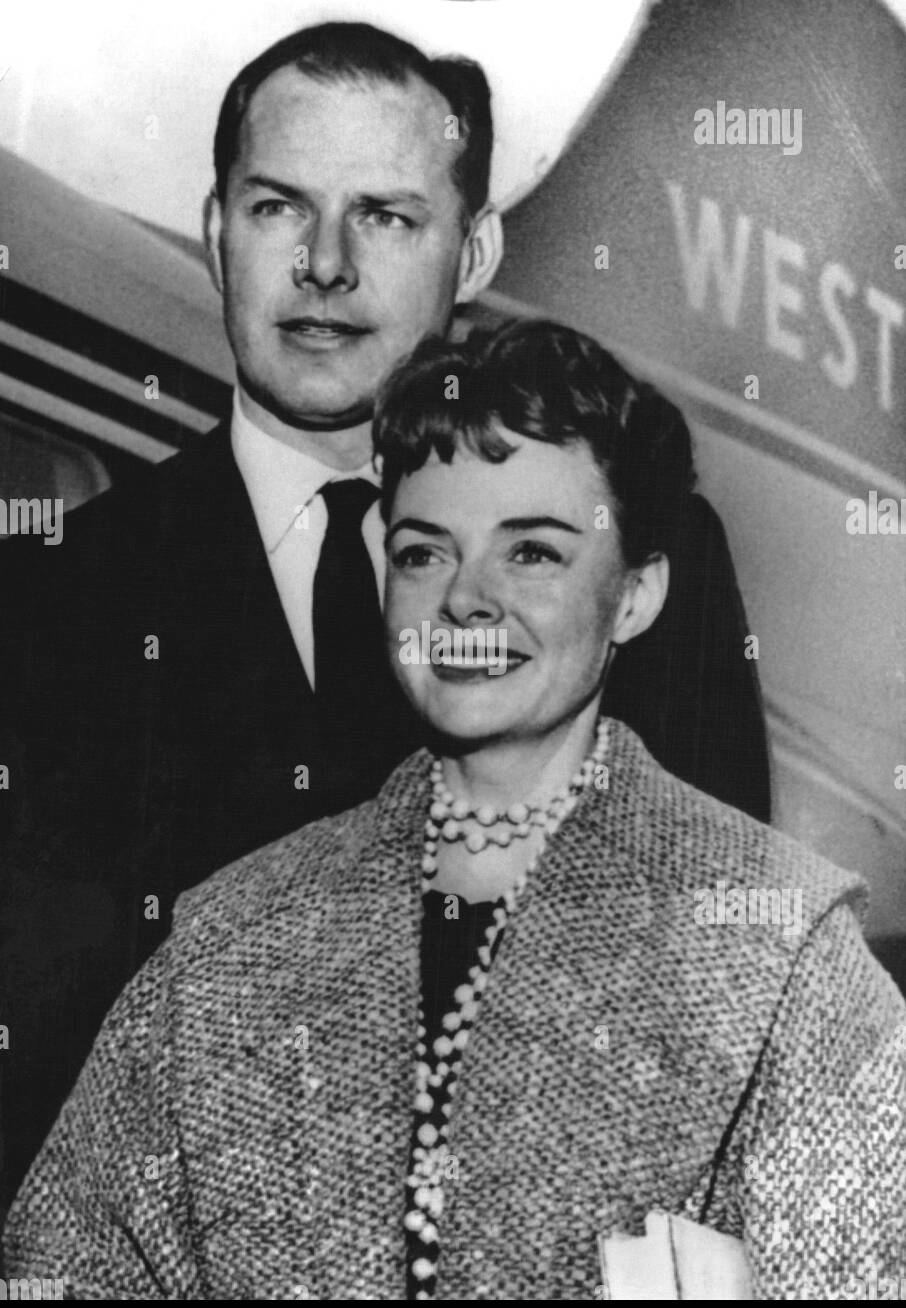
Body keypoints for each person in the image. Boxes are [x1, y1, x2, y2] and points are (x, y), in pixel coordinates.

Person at [0, 22, 767, 1213]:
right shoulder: (44, 609)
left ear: (473, 253)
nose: (322, 265)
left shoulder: (654, 564)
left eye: (387, 217)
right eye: (275, 209)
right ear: (215, 233)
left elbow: (726, 1016)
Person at [5, 320, 902, 1301]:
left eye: (533, 554)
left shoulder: (778, 948)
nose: (468, 601)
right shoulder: (233, 935)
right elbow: (60, 1293)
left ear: (637, 594)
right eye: (427, 551)